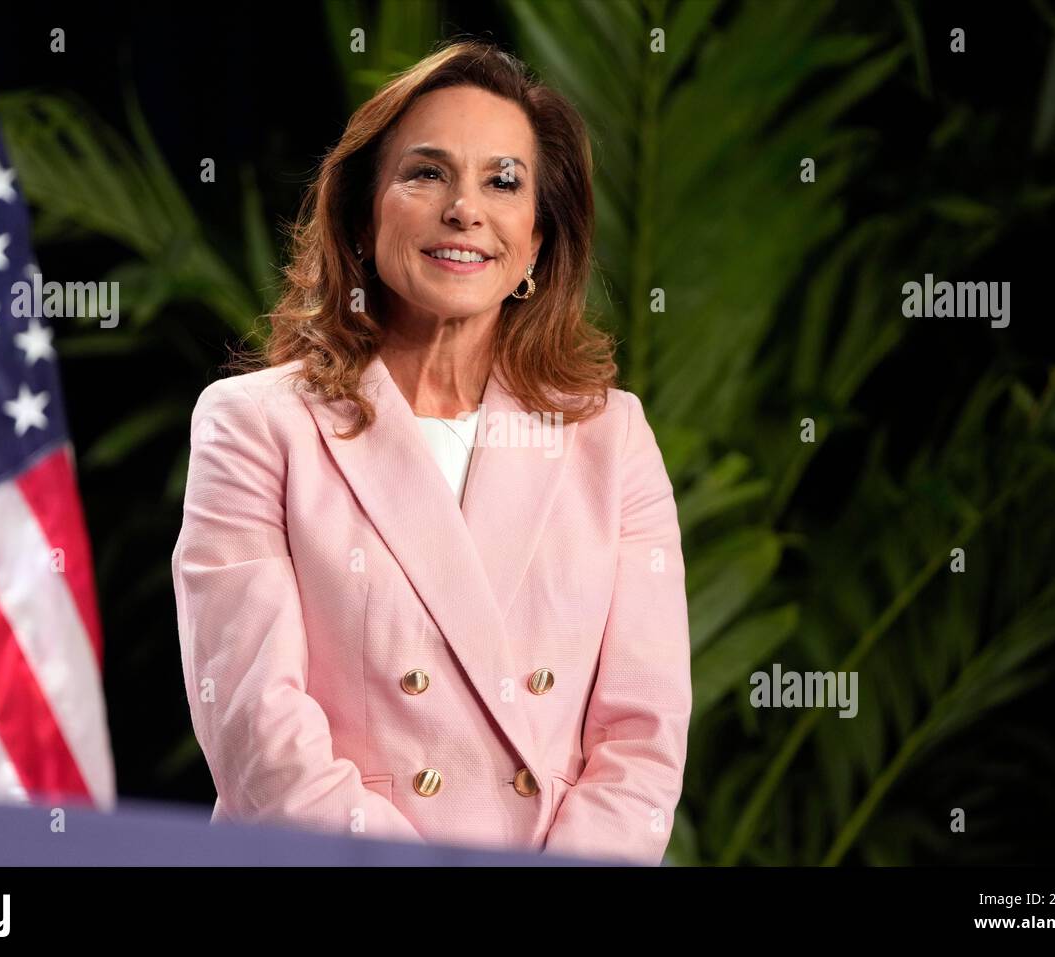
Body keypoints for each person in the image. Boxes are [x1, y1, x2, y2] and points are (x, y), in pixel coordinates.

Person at [171, 39, 692, 865]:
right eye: (426, 173)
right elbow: (257, 731)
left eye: (503, 181)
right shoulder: (252, 426)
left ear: (537, 241)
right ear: (362, 211)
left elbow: (644, 736)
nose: (464, 209)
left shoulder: (612, 437)